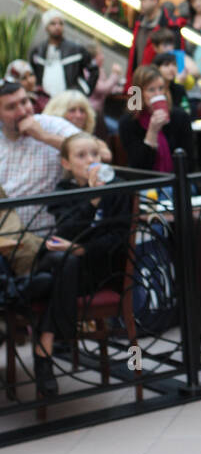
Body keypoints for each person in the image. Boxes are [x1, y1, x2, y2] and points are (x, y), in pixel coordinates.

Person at [30, 132, 131, 396]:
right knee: (64, 262)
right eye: (81, 155)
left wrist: (81, 249)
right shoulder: (63, 191)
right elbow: (65, 230)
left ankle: (45, 345)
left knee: (62, 268)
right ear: (66, 163)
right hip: (68, 268)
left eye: (95, 154)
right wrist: (92, 200)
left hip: (101, 270)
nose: (90, 160)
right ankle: (50, 343)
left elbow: (118, 240)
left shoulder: (118, 188)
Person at [0, 80, 78, 229]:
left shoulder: (50, 125)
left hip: (43, 240)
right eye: (11, 107)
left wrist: (44, 136)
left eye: (24, 102)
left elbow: (101, 152)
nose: (22, 111)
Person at [119, 65, 194, 171]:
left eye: (161, 88)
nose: (158, 94)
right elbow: (139, 166)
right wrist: (152, 131)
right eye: (151, 90)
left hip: (177, 181)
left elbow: (189, 159)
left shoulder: (180, 117)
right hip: (147, 183)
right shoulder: (129, 122)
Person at [30, 10, 98, 98]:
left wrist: (84, 90)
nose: (57, 27)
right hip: (45, 101)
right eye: (53, 23)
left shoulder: (75, 49)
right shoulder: (38, 51)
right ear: (46, 27)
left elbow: (94, 70)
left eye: (60, 23)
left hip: (69, 101)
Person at [125, 0, 180, 89]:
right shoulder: (139, 23)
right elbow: (134, 56)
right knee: (135, 105)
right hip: (138, 82)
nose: (140, 4)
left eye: (143, 0)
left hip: (160, 86)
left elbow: (178, 56)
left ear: (155, 0)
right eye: (139, 0)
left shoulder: (170, 24)